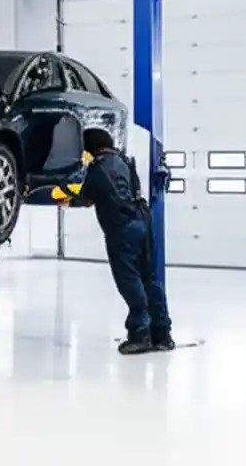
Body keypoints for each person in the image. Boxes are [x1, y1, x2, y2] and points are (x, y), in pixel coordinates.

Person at [58, 128, 173, 354]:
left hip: (122, 229)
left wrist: (66, 200)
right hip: (142, 220)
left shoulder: (98, 167)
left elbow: (87, 198)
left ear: (90, 148)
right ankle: (163, 334)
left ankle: (140, 334)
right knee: (149, 277)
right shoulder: (124, 161)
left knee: (129, 281)